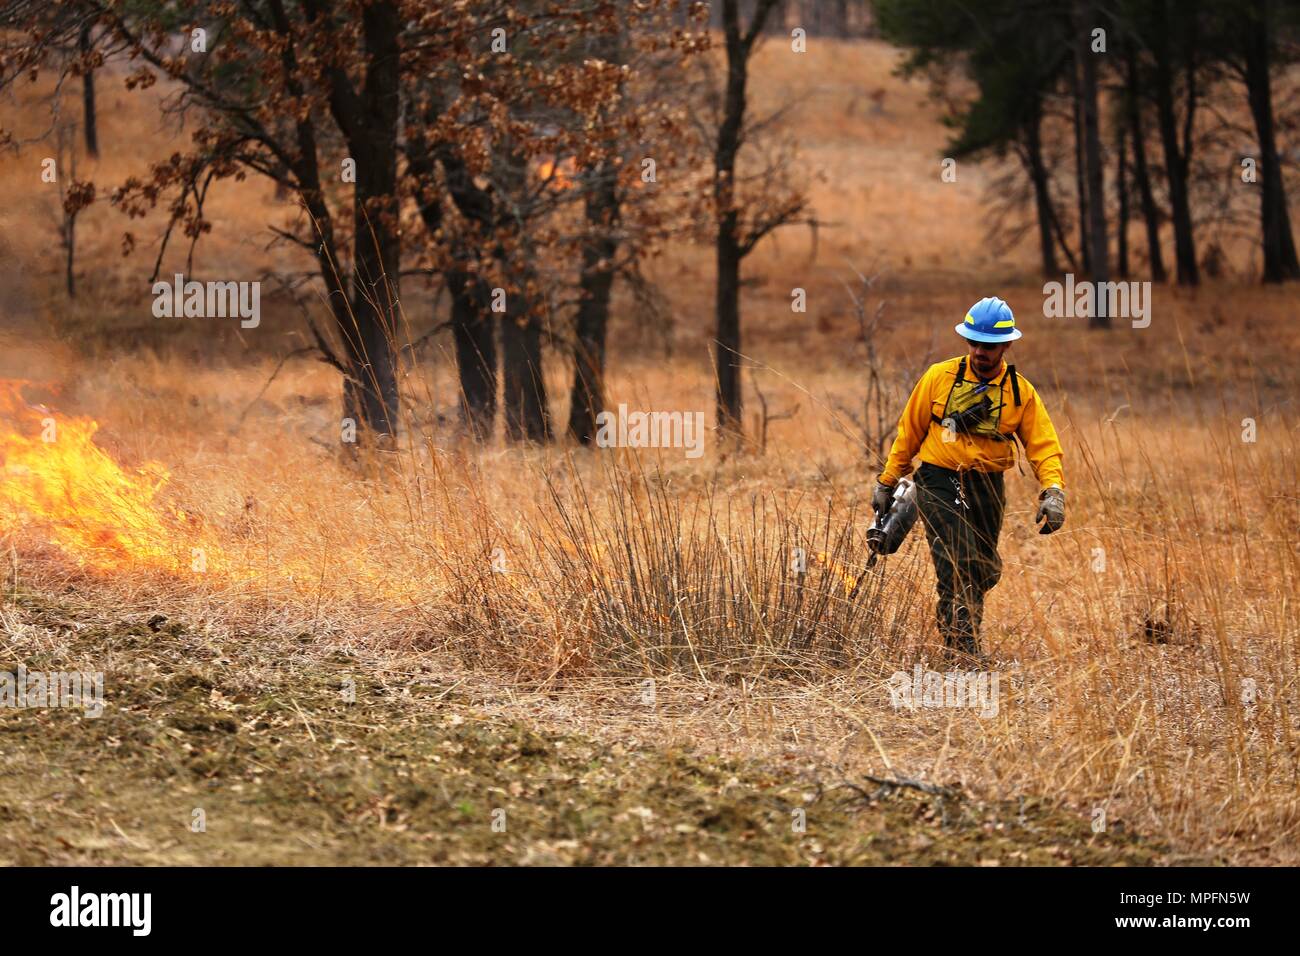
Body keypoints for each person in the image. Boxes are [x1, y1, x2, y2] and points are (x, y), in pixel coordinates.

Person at [873, 296, 1065, 661]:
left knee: (983, 567)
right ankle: (963, 649)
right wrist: (887, 481)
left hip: (988, 484)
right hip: (938, 478)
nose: (980, 351)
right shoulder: (938, 377)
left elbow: (1043, 445)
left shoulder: (1020, 391)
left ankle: (965, 639)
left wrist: (1053, 491)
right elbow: (909, 432)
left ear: (1006, 345)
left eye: (989, 345)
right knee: (957, 560)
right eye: (973, 342)